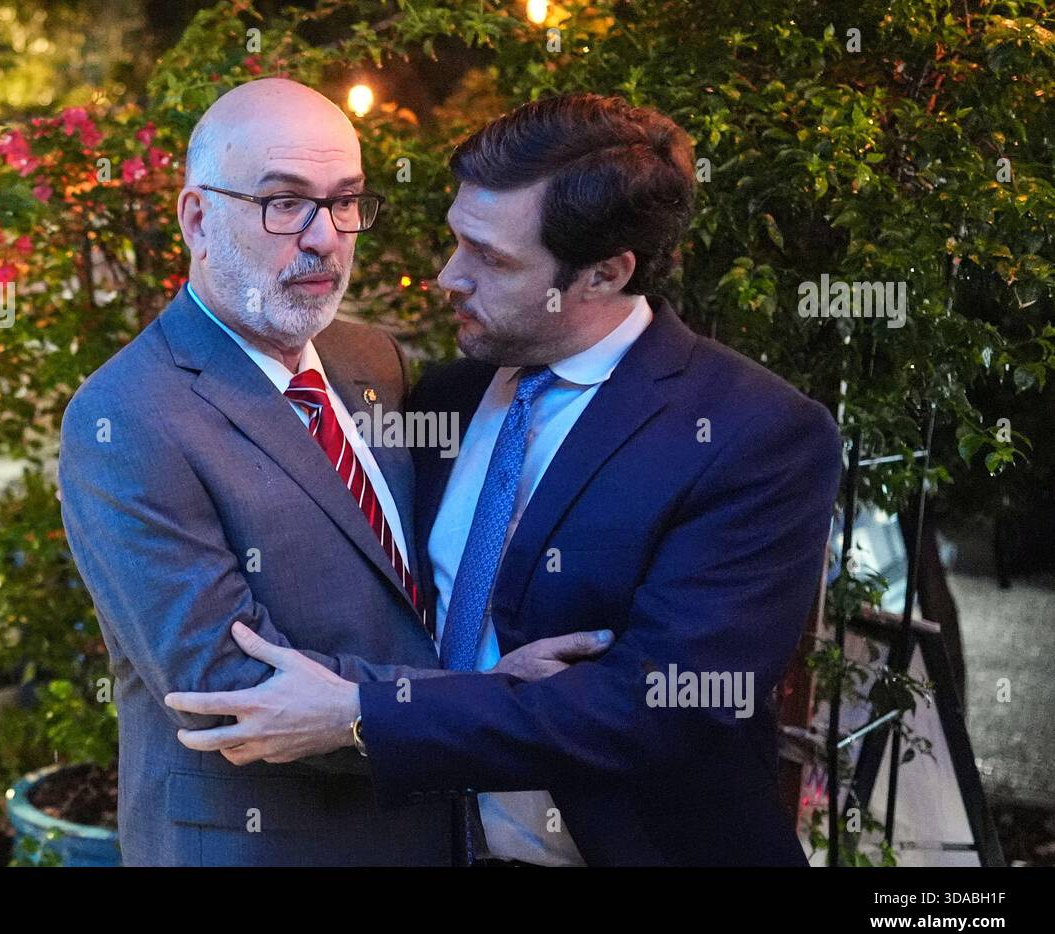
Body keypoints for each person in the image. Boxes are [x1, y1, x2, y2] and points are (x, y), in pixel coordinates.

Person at [166, 92, 843, 866]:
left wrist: (365, 713)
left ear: (603, 274)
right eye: (457, 241)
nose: (448, 278)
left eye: (490, 258)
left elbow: (663, 707)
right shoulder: (444, 399)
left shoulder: (755, 435)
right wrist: (496, 689)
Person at [58, 78, 603, 866]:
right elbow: (229, 685)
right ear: (198, 218)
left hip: (429, 829)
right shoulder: (129, 417)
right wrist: (489, 700)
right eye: (284, 202)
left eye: (345, 200)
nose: (323, 237)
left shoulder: (367, 355)